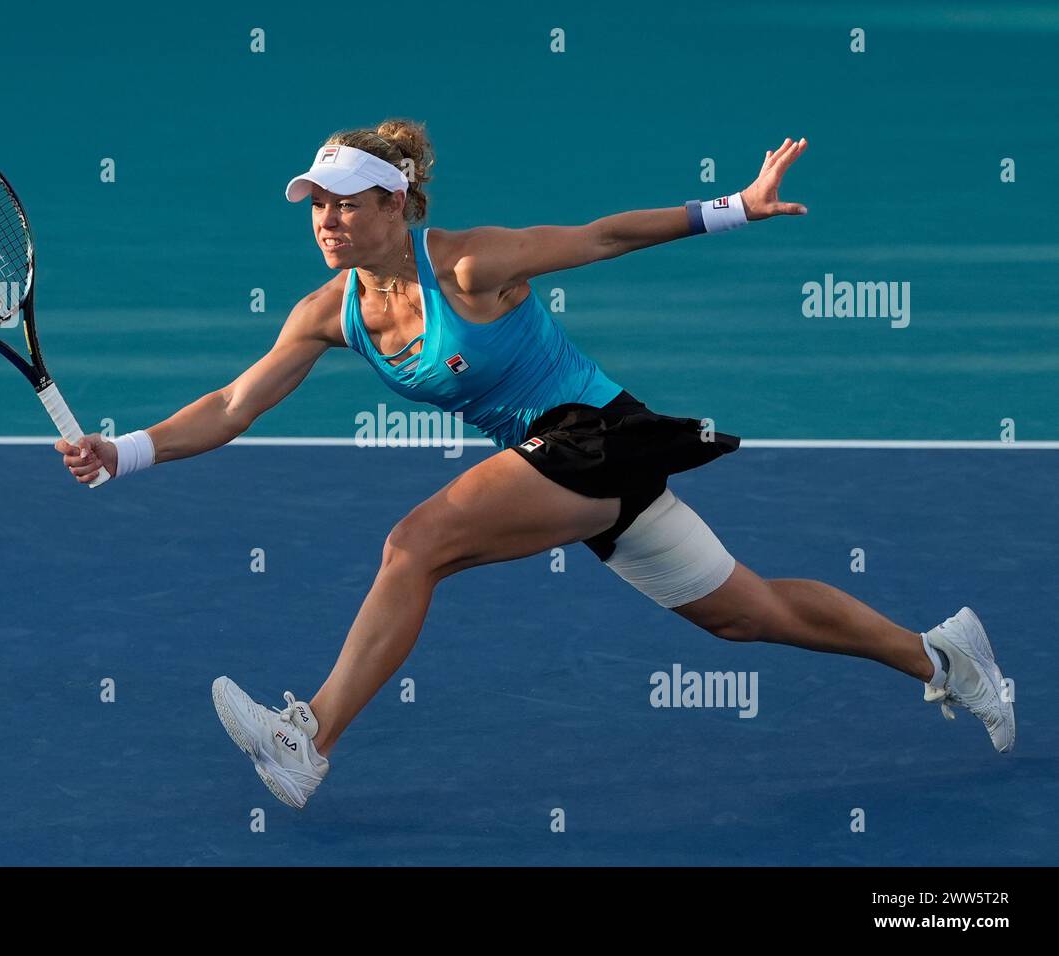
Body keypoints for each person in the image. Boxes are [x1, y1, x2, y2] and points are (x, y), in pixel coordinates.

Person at [55, 120, 1015, 810]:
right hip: (576, 466)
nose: (328, 222)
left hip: (590, 435)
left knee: (415, 543)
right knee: (747, 615)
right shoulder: (327, 312)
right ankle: (944, 656)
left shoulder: (471, 264)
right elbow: (233, 404)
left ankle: (309, 739)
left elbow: (601, 236)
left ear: (396, 205)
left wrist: (734, 209)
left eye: (346, 205)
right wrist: (125, 449)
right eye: (317, 207)